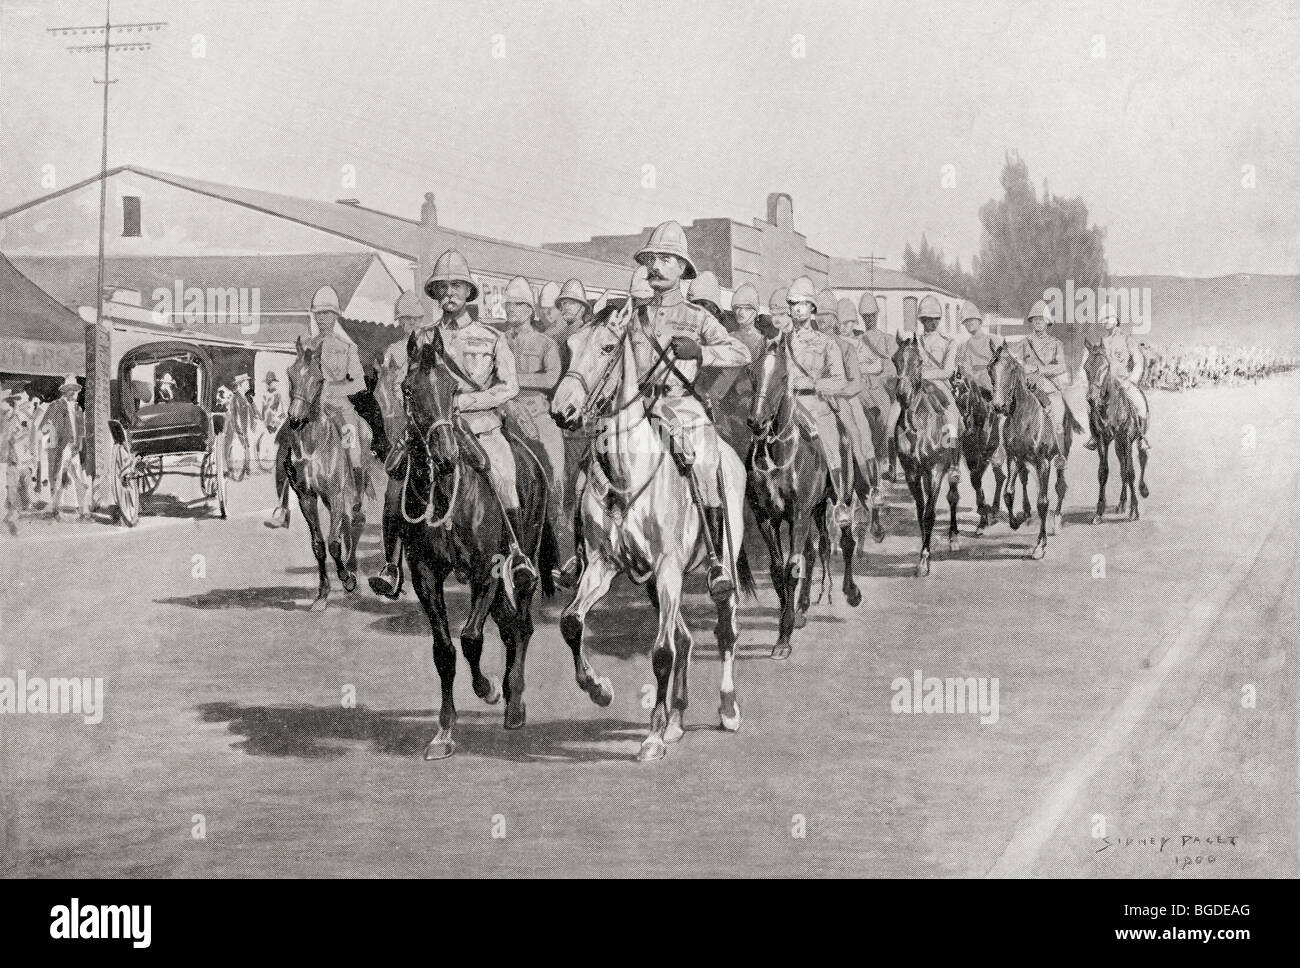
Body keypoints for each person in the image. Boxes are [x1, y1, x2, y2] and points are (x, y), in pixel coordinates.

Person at [629, 220, 751, 600]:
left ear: (682, 269)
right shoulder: (634, 317)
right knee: (595, 460)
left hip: (681, 406)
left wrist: (701, 352)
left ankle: (716, 557)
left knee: (704, 463)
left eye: (665, 259)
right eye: (651, 259)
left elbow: (740, 352)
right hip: (637, 407)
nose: (656, 266)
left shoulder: (699, 319)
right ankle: (589, 553)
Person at [426, 249, 535, 584]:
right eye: (442, 287)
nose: (449, 293)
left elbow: (509, 387)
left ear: (468, 292)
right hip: (435, 431)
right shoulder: (423, 338)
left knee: (504, 479)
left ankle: (517, 554)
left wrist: (467, 402)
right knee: (397, 480)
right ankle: (393, 561)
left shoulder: (492, 338)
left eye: (456, 286)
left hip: (481, 429)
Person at [786, 276, 852, 525]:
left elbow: (840, 380)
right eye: (792, 304)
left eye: (801, 304)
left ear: (812, 308)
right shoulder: (781, 342)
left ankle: (840, 503)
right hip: (788, 406)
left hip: (816, 406)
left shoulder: (826, 343)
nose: (796, 309)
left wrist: (813, 384)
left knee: (831, 446)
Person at [1011, 299, 1094, 463]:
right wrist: (1025, 369)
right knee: (1008, 415)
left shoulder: (1056, 343)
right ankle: (1007, 450)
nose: (1037, 323)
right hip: (1027, 387)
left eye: (1040, 320)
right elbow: (1015, 362)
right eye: (1035, 320)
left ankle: (1060, 455)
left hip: (1049, 389)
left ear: (1047, 322)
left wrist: (1040, 370)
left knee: (1057, 420)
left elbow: (1061, 367)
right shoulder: (1023, 343)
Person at [884, 295, 961, 450]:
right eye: (927, 319)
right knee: (891, 422)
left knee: (952, 415)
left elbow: (947, 371)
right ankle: (891, 464)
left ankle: (952, 459)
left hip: (938, 384)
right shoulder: (914, 342)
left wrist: (921, 374)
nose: (932, 323)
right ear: (921, 320)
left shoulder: (949, 342)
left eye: (935, 319)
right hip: (913, 385)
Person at [831, 298, 878, 493]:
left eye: (848, 322)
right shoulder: (830, 341)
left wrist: (857, 369)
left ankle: (873, 484)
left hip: (853, 394)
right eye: (840, 323)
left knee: (863, 432)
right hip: (832, 391)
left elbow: (877, 365)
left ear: (853, 323)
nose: (844, 327)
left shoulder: (859, 344)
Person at [1098, 303, 1151, 451]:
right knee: (1092, 405)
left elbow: (1138, 361)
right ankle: (1095, 436)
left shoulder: (1127, 339)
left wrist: (1132, 380)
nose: (1106, 321)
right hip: (1106, 385)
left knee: (1141, 404)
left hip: (1124, 382)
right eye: (1103, 319)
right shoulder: (1102, 342)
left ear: (1116, 320)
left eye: (1108, 318)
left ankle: (1141, 437)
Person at [41, 375, 91, 521]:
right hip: (61, 448)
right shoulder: (55, 406)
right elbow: (45, 426)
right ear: (64, 391)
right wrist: (54, 442)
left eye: (75, 390)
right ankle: (56, 508)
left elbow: (81, 431)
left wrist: (78, 446)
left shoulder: (78, 409)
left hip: (73, 449)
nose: (73, 393)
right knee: (60, 478)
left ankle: (82, 510)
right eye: (70, 390)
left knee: (76, 478)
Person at [0, 389, 23, 534]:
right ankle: (9, 516)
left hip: (10, 458)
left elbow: (20, 434)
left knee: (11, 488)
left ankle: (11, 517)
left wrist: (15, 438)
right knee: (5, 488)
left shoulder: (15, 418)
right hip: (4, 457)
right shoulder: (4, 418)